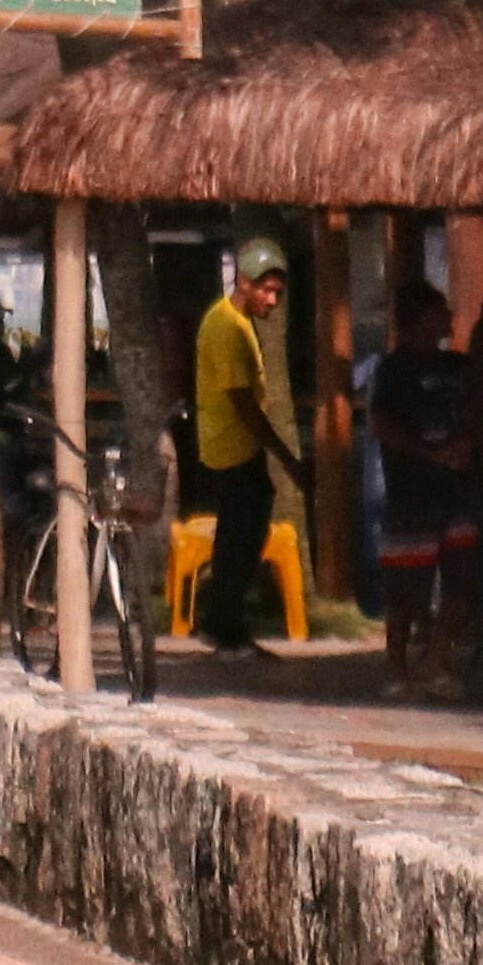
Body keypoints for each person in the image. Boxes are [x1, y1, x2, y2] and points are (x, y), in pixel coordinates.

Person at [192, 236, 305, 653]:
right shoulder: (226, 329)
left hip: (239, 448)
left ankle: (227, 620)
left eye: (277, 293)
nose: (272, 301)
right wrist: (287, 459)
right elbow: (245, 406)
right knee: (238, 539)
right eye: (266, 290)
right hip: (231, 449)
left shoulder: (239, 324)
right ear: (243, 283)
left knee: (242, 536)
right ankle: (222, 623)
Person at [366, 273, 476, 690]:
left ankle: (435, 660)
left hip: (456, 491)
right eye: (439, 311)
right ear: (421, 319)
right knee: (406, 590)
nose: (449, 317)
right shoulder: (393, 371)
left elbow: (472, 413)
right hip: (412, 491)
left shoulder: (457, 367)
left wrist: (464, 445)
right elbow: (381, 424)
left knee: (463, 582)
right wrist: (427, 452)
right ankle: (396, 668)